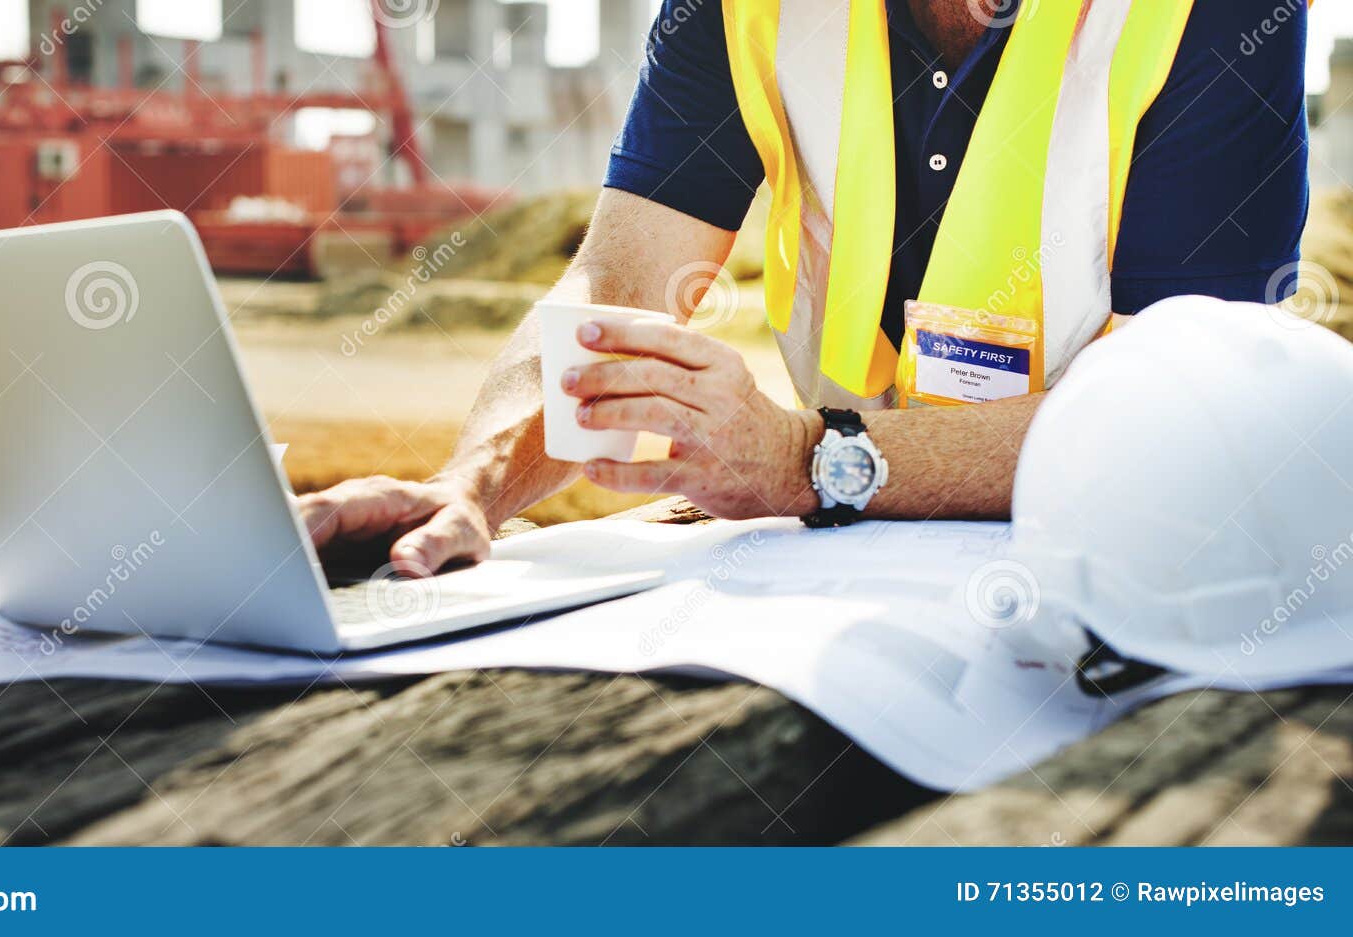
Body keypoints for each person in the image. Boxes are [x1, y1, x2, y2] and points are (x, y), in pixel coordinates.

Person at [301, 0, 1311, 575]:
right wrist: (471, 486)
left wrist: (811, 462)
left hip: (1131, 568)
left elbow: (1168, 416)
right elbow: (617, 287)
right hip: (854, 563)